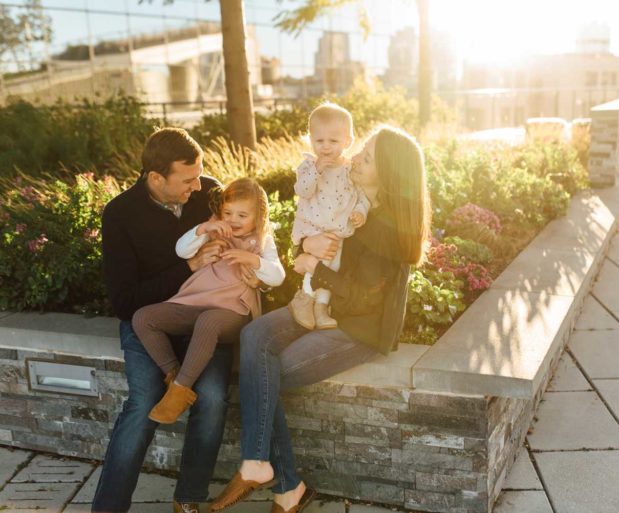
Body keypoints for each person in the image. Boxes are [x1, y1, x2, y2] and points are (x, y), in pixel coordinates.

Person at [210, 125, 431, 513]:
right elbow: (315, 223)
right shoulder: (357, 199)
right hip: (322, 306)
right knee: (255, 336)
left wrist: (316, 265)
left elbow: (362, 298)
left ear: (389, 171)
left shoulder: (388, 227)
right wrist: (303, 244)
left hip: (358, 327)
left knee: (267, 373)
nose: (356, 159)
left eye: (367, 157)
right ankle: (277, 478)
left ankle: (270, 473)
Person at [95, 127, 233, 513]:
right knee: (143, 402)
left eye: (199, 174)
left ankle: (188, 499)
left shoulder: (208, 193)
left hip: (203, 320)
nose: (198, 185)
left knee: (213, 398)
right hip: (145, 322)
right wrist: (187, 267)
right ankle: (107, 508)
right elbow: (125, 302)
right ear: (156, 177)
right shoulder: (120, 214)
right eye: (187, 180)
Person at [132, 178, 285, 425]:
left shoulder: (261, 240)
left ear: (258, 217)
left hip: (232, 311)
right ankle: (175, 380)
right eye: (228, 213)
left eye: (242, 215)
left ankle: (182, 386)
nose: (233, 220)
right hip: (195, 301)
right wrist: (202, 230)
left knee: (209, 321)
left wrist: (252, 260)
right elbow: (182, 251)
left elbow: (277, 276)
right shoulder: (214, 228)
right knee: (144, 318)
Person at [288, 102, 369, 330]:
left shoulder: (349, 168)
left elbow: (361, 195)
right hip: (314, 227)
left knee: (330, 269)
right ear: (310, 140)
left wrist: (360, 212)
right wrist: (317, 170)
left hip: (337, 231)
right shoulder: (308, 165)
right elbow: (303, 190)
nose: (325, 148)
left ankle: (321, 307)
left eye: (333, 141)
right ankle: (304, 297)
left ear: (348, 142)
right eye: (319, 141)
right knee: (319, 261)